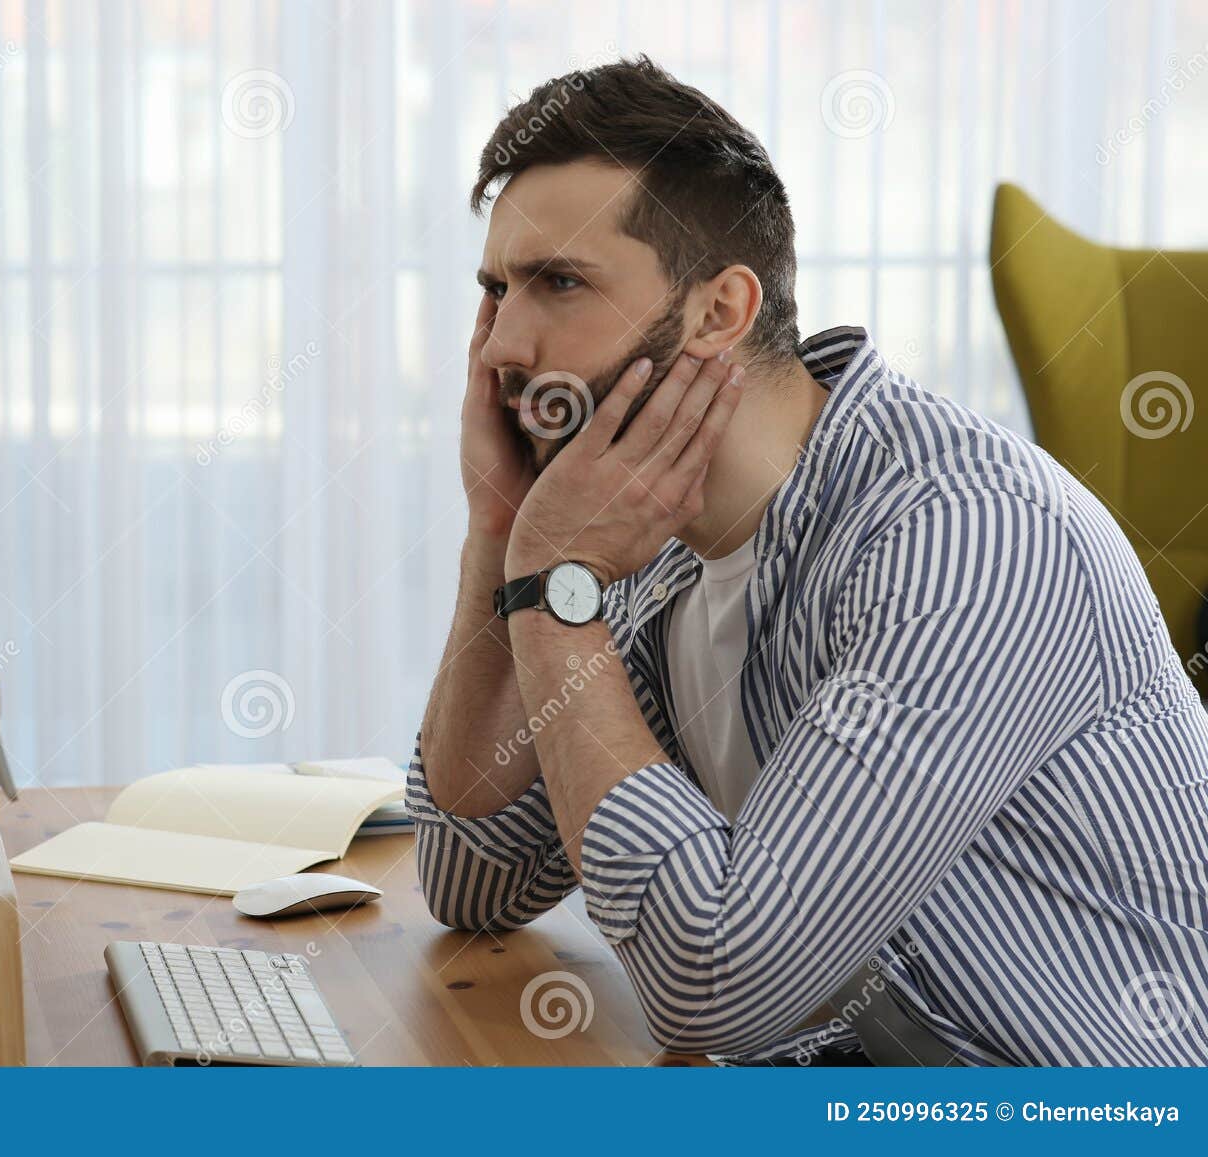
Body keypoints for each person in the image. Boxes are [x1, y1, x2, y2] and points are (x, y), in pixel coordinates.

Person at [408, 55, 1208, 1066]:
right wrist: (502, 529)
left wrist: (555, 595)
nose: (501, 349)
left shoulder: (962, 536)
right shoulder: (650, 536)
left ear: (719, 312)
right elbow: (473, 873)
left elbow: (718, 989)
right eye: (495, 290)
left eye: (558, 283)